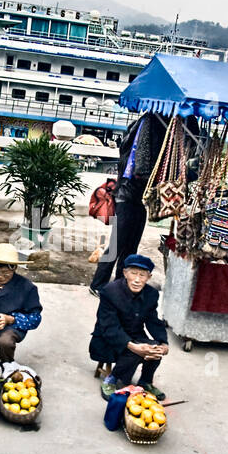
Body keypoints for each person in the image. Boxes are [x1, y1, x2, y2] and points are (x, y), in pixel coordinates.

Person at [88, 112, 167, 296]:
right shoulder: (149, 124)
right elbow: (138, 164)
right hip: (127, 195)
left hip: (136, 197)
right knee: (116, 245)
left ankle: (119, 284)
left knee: (131, 246)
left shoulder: (148, 124)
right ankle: (97, 285)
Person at [91, 253, 170, 401]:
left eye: (142, 275)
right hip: (107, 338)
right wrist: (132, 346)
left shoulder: (151, 294)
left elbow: (153, 321)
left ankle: (146, 381)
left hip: (135, 334)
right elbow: (109, 326)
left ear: (149, 277)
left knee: (155, 348)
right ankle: (112, 379)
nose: (137, 280)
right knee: (135, 351)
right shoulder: (110, 291)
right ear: (125, 273)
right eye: (133, 273)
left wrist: (163, 342)